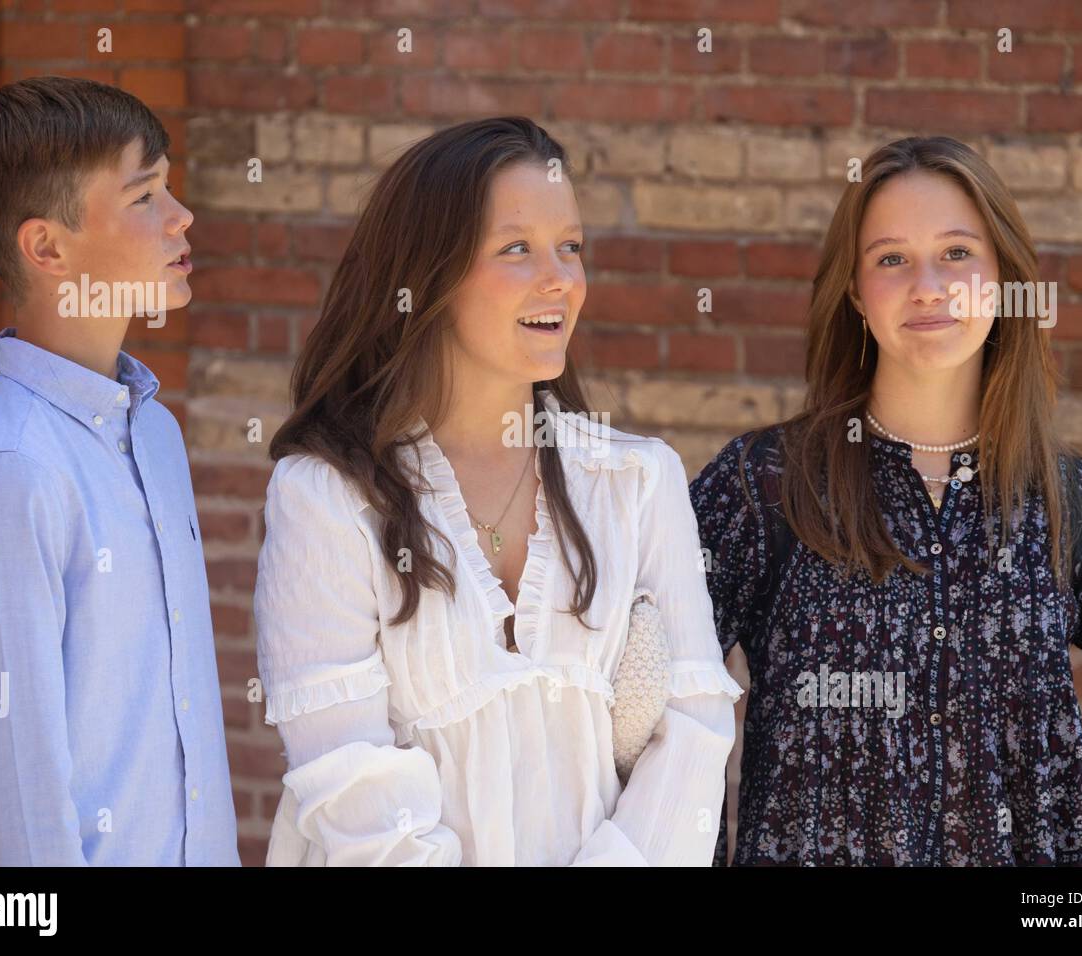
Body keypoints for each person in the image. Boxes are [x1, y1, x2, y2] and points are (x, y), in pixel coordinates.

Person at [691, 135, 1082, 866]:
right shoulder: (767, 485)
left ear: (1003, 279)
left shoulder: (1062, 498)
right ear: (854, 291)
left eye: (957, 253)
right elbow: (660, 703)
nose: (928, 287)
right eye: (891, 259)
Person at [253, 116, 742, 866]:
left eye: (570, 246)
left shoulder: (638, 481)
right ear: (427, 276)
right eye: (517, 249)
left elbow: (694, 731)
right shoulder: (326, 496)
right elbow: (349, 778)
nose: (561, 278)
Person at [0, 76, 239, 865]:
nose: (181, 215)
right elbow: (15, 819)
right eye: (145, 195)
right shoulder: (3, 471)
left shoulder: (153, 432)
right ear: (47, 248)